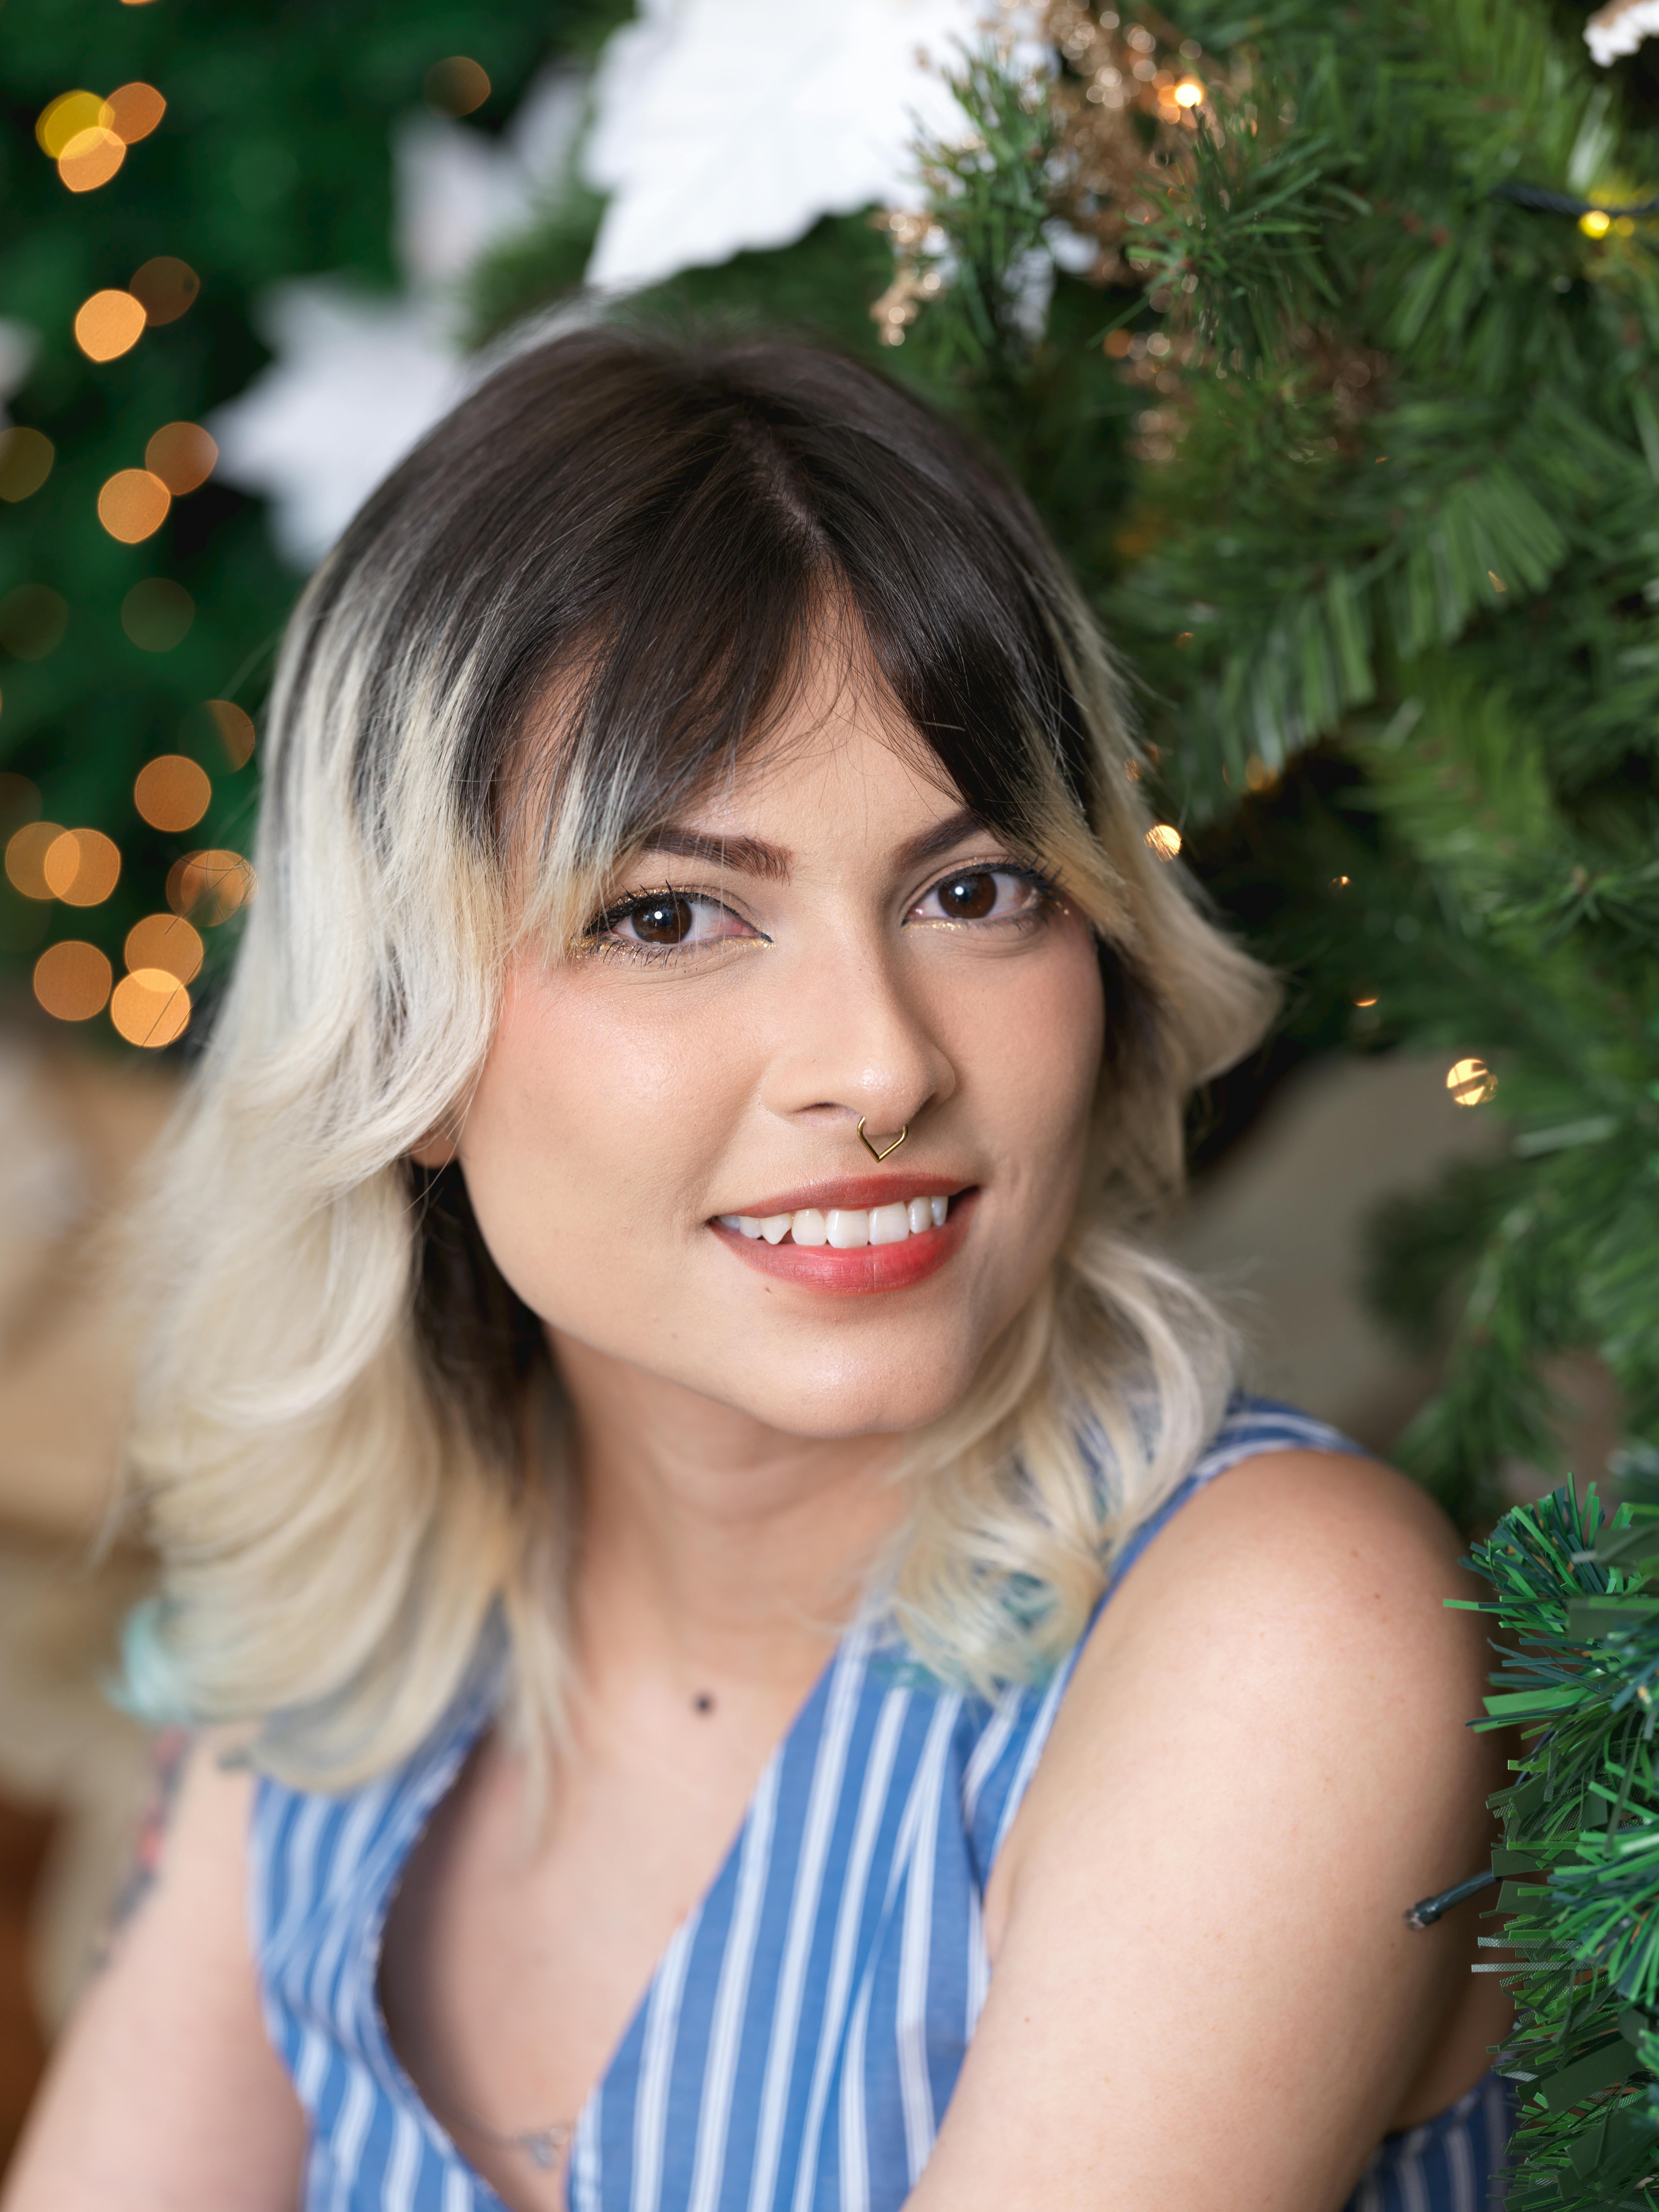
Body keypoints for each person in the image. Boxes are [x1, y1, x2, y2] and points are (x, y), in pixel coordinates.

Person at [3, 331, 1510, 2212]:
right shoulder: (343, 1657)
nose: (881, 1065)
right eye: (673, 915)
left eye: (975, 889)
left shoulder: (1281, 1632)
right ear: (405, 1038)